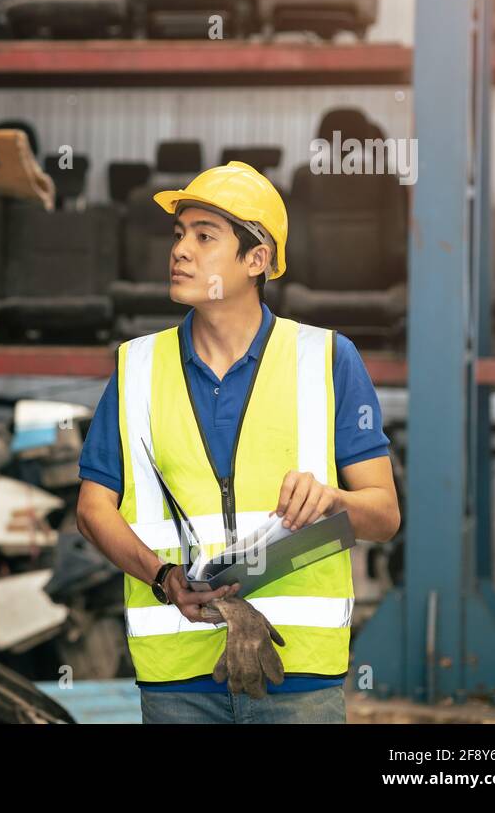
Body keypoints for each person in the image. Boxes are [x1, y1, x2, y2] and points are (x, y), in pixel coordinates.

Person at [76, 159, 400, 723]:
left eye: (205, 237)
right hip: (178, 676)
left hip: (298, 676)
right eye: (179, 235)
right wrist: (162, 576)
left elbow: (384, 515)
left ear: (257, 260)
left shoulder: (326, 358)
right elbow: (92, 508)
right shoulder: (136, 367)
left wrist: (334, 501)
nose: (180, 250)